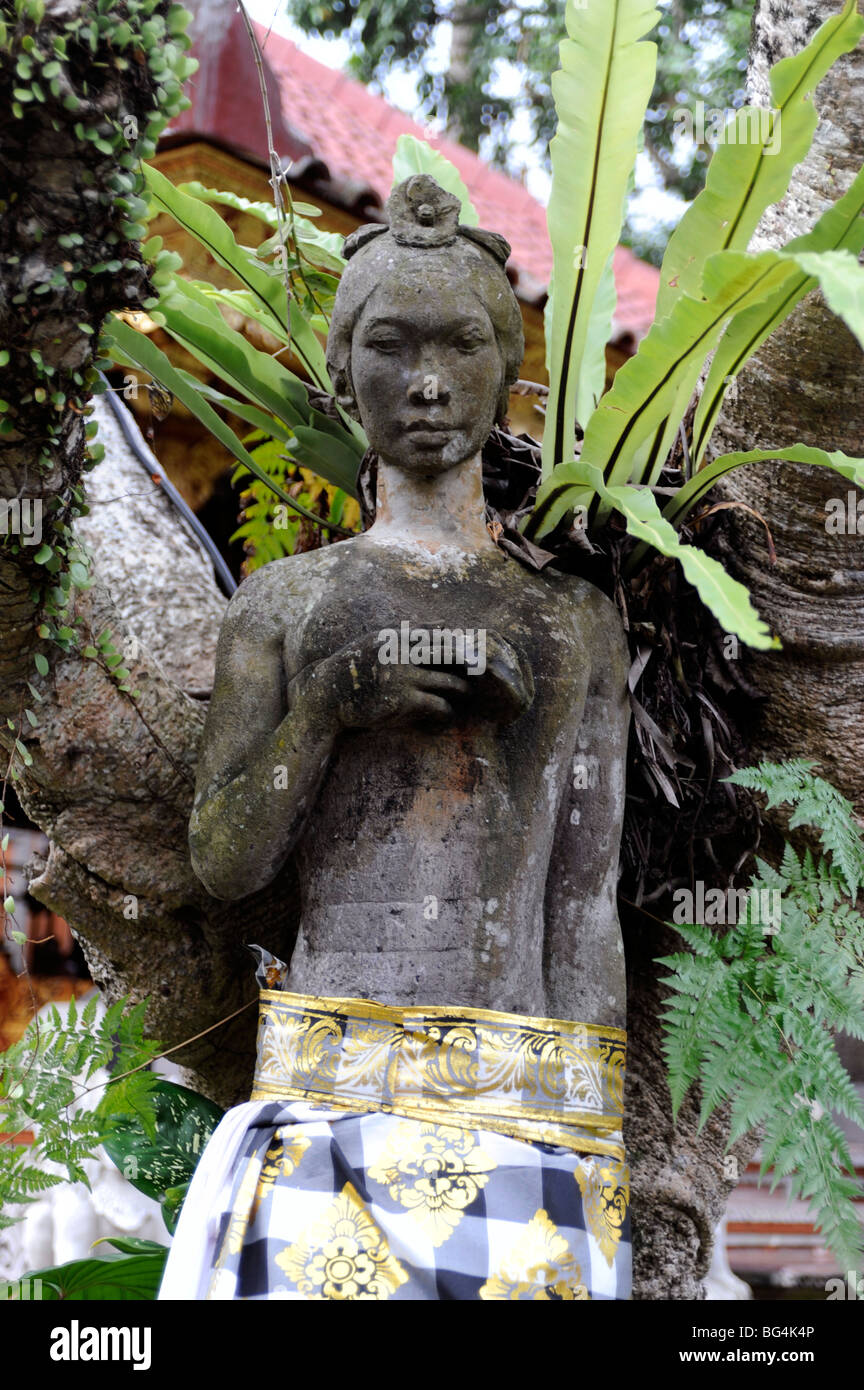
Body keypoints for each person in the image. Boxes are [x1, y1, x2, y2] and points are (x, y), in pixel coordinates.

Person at [159, 175, 631, 1301]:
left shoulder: (571, 617)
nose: (427, 383)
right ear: (341, 370)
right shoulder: (285, 604)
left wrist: (596, 1148)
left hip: (525, 1104)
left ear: (508, 372)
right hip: (329, 1097)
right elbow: (224, 862)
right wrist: (326, 706)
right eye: (390, 346)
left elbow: (585, 896)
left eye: (463, 345)